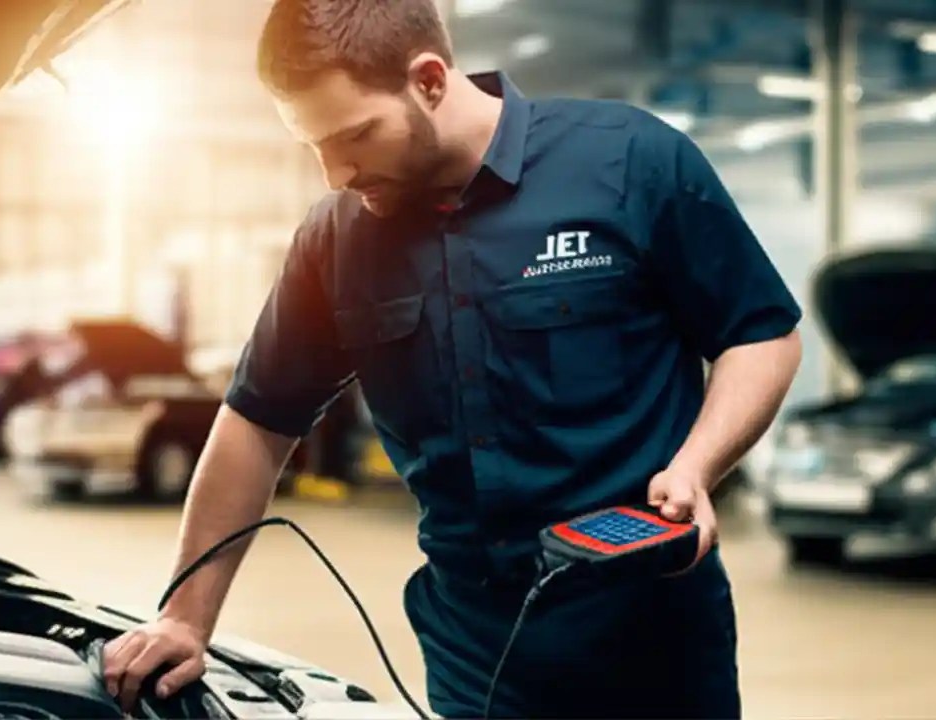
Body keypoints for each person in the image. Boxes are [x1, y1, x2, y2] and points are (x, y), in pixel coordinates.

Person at [100, 0, 803, 717]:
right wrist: (186, 617)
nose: (334, 174)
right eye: (311, 146)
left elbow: (761, 334)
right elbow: (257, 422)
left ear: (430, 80)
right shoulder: (336, 241)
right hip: (473, 646)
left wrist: (696, 466)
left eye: (355, 137)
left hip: (651, 635)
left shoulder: (631, 162)